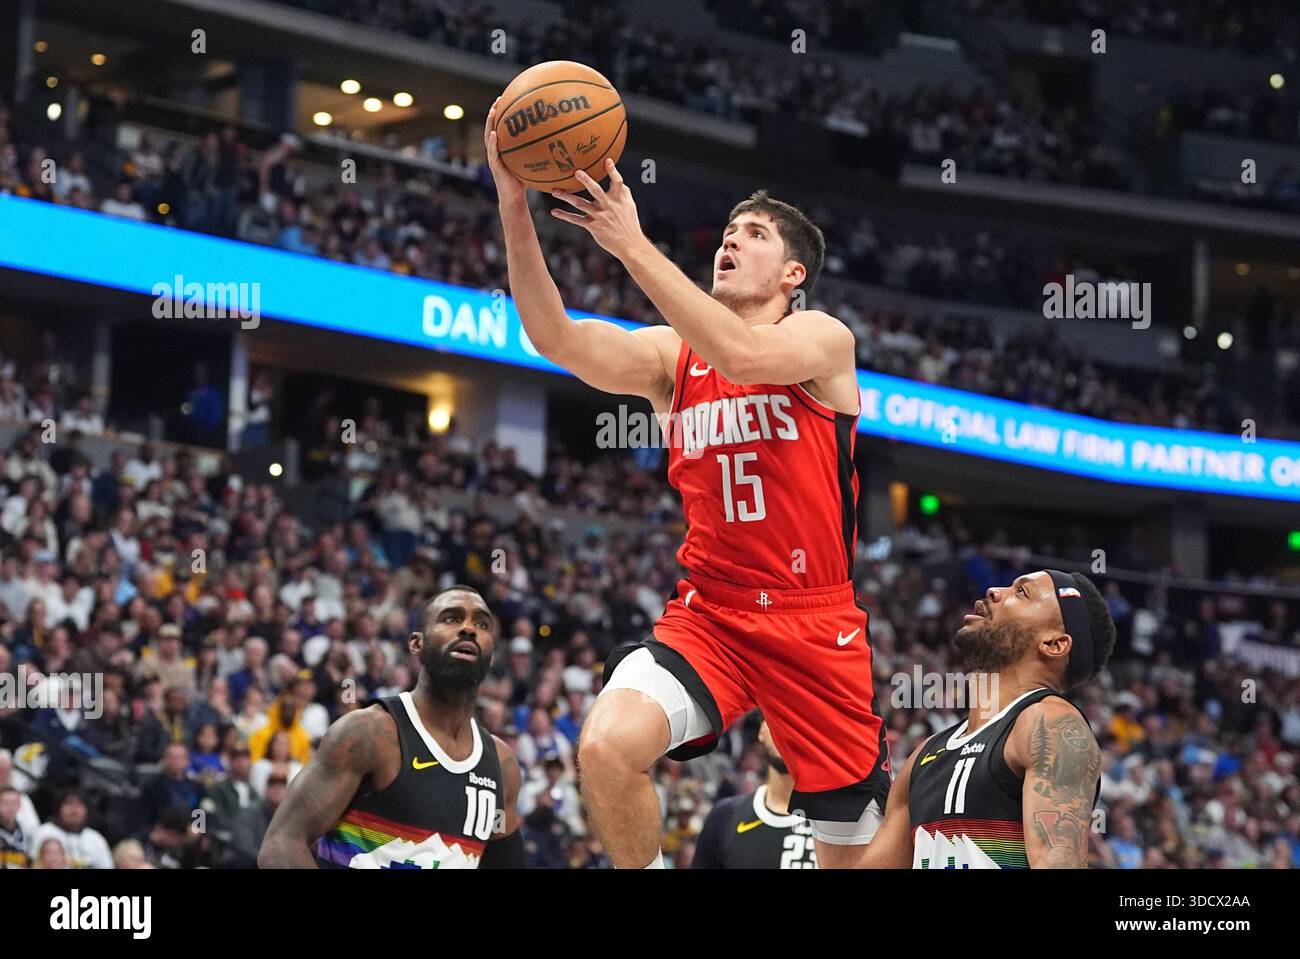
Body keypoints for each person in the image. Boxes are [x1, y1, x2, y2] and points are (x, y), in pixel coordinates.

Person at [485, 102, 887, 868]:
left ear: (793, 274)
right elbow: (556, 338)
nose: (732, 239)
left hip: (814, 626)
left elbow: (738, 352)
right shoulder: (673, 358)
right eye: (730, 231)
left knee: (852, 854)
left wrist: (631, 245)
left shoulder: (821, 339)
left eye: (756, 234)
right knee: (605, 747)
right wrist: (514, 203)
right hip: (714, 612)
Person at [853, 570, 1116, 869]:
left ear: (1054, 644)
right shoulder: (926, 752)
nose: (993, 591)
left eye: (1021, 593)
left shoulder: (1049, 724)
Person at [258, 586, 523, 868]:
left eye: (482, 623)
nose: (469, 629)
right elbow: (281, 846)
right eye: (451, 618)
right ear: (416, 644)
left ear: (491, 652)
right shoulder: (368, 732)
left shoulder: (500, 764)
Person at [693, 717, 816, 869]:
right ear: (761, 731)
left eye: (797, 723)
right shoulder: (724, 817)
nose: (787, 730)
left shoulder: (841, 821)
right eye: (778, 716)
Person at [29, 788, 113, 869]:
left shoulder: (96, 839)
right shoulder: (44, 832)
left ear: (87, 810)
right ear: (59, 808)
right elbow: (33, 864)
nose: (74, 810)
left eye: (79, 804)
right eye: (68, 804)